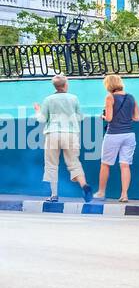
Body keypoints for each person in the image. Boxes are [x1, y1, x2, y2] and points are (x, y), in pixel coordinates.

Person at [34, 75, 93, 204]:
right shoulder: (74, 98)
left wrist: (38, 111)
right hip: (71, 134)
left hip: (53, 133)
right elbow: (80, 117)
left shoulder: (48, 100)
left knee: (52, 164)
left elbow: (42, 119)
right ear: (65, 85)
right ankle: (84, 185)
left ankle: (54, 195)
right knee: (74, 163)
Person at [98, 73, 139, 202]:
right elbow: (137, 118)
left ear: (109, 85)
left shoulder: (110, 97)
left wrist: (103, 117)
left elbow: (109, 118)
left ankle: (101, 192)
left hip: (113, 134)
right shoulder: (131, 97)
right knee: (125, 165)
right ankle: (124, 194)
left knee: (105, 164)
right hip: (129, 135)